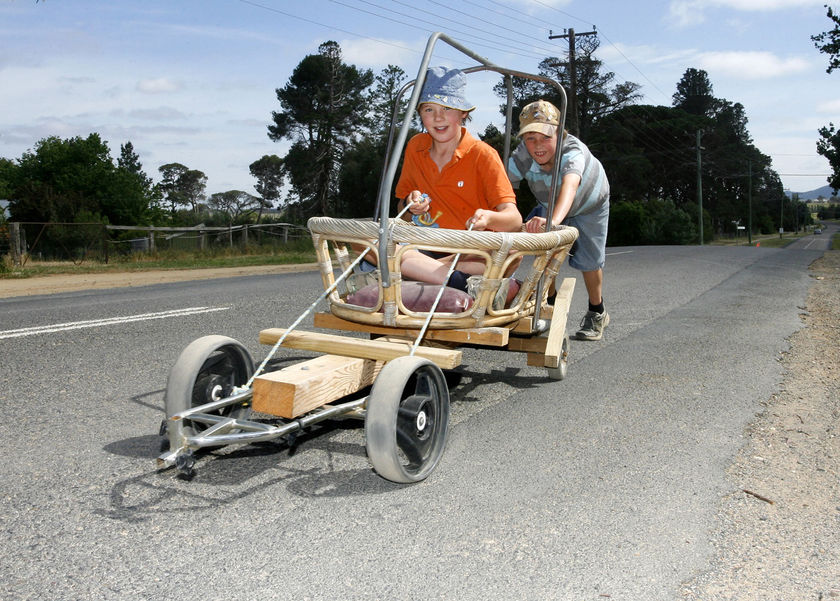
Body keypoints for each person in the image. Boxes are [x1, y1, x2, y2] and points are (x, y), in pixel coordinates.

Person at [389, 66, 522, 297]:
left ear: (463, 114)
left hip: (467, 250)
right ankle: (456, 281)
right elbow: (402, 210)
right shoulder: (415, 146)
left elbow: (514, 220)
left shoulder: (483, 154)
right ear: (420, 113)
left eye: (448, 108)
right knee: (366, 239)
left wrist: (489, 217)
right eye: (429, 109)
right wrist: (410, 205)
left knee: (501, 252)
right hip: (425, 247)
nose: (438, 117)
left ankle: (415, 269)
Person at [508, 99, 610, 341]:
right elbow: (501, 187)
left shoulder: (572, 151)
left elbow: (570, 186)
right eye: (530, 138)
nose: (537, 145)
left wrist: (551, 222)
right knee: (542, 251)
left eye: (545, 137)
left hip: (589, 205)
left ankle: (597, 311)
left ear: (559, 134)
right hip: (548, 204)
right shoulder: (521, 156)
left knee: (589, 261)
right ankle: (548, 306)